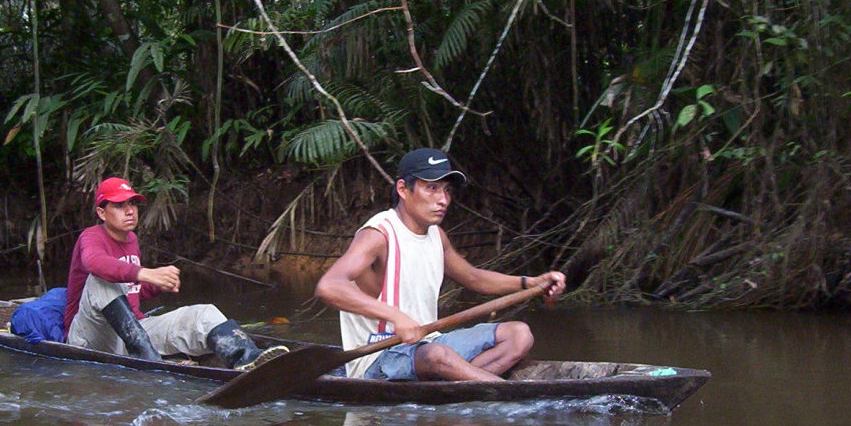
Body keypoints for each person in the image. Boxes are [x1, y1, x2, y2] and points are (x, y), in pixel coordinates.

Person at [315, 148, 565, 382]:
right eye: (431, 188)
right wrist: (396, 316)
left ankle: (458, 382)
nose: (443, 199)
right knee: (437, 355)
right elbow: (330, 287)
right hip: (379, 357)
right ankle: (502, 389)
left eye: (446, 190)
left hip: (428, 345)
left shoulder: (436, 235)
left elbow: (473, 277)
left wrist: (530, 283)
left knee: (519, 334)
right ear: (403, 189)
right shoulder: (379, 234)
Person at [63, 177, 287, 370]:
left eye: (132, 203)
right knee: (100, 280)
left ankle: (246, 359)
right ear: (102, 212)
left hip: (135, 334)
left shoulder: (131, 240)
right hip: (91, 337)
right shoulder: (91, 236)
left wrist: (158, 284)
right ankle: (149, 362)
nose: (130, 210)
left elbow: (129, 293)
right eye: (120, 205)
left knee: (203, 314)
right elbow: (95, 264)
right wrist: (145, 273)